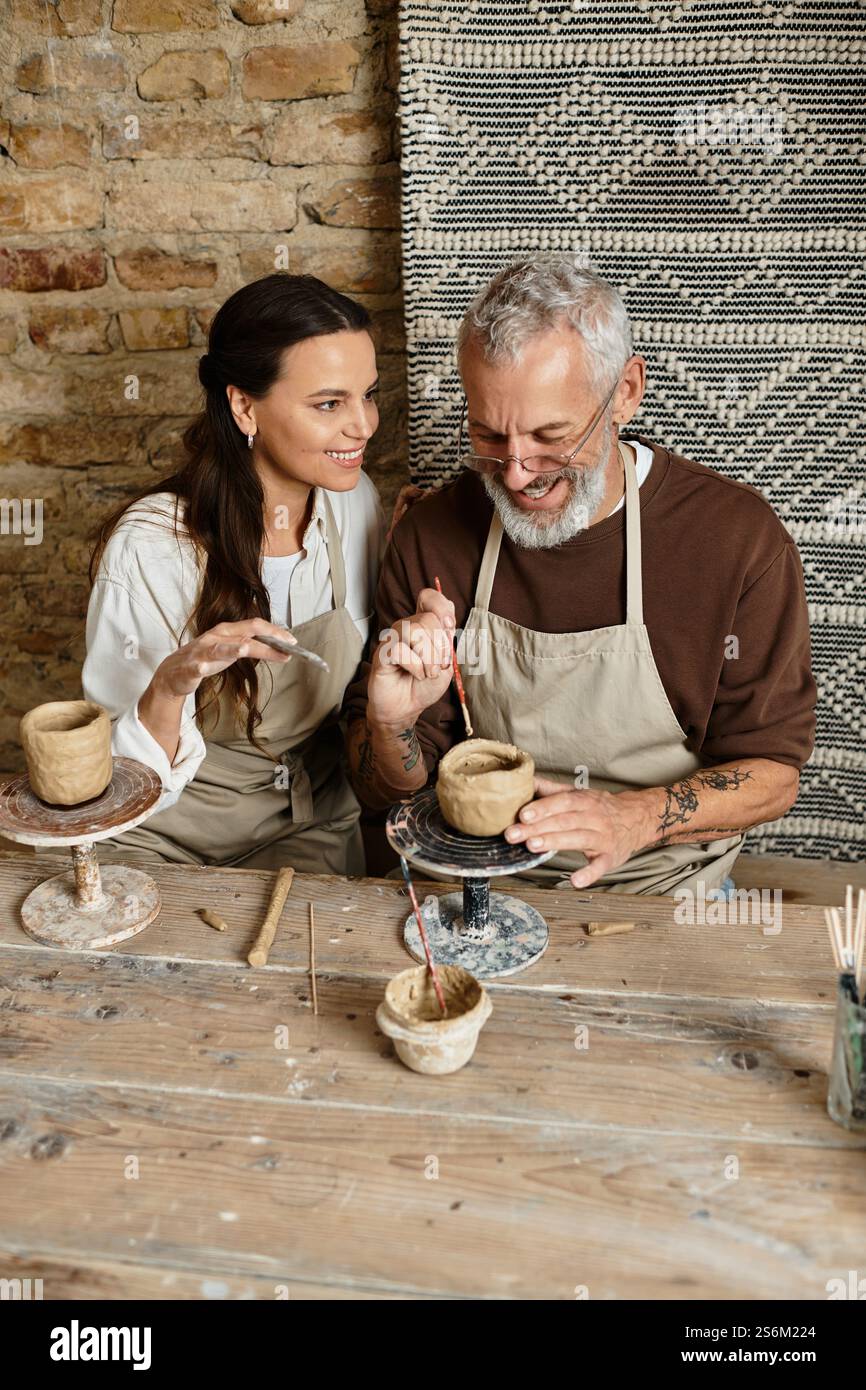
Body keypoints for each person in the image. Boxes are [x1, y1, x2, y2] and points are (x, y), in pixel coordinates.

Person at [345, 255, 817, 896]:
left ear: (624, 392)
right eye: (488, 434)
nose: (515, 474)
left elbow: (773, 774)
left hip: (653, 881)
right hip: (467, 879)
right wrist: (391, 724)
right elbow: (382, 794)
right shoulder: (430, 534)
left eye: (550, 434)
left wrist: (635, 819)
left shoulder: (736, 541)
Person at [83, 273, 385, 873]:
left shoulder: (356, 503)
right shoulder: (151, 546)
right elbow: (113, 775)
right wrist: (170, 686)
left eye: (368, 394)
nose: (363, 425)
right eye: (329, 403)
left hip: (306, 825)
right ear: (244, 405)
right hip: (162, 831)